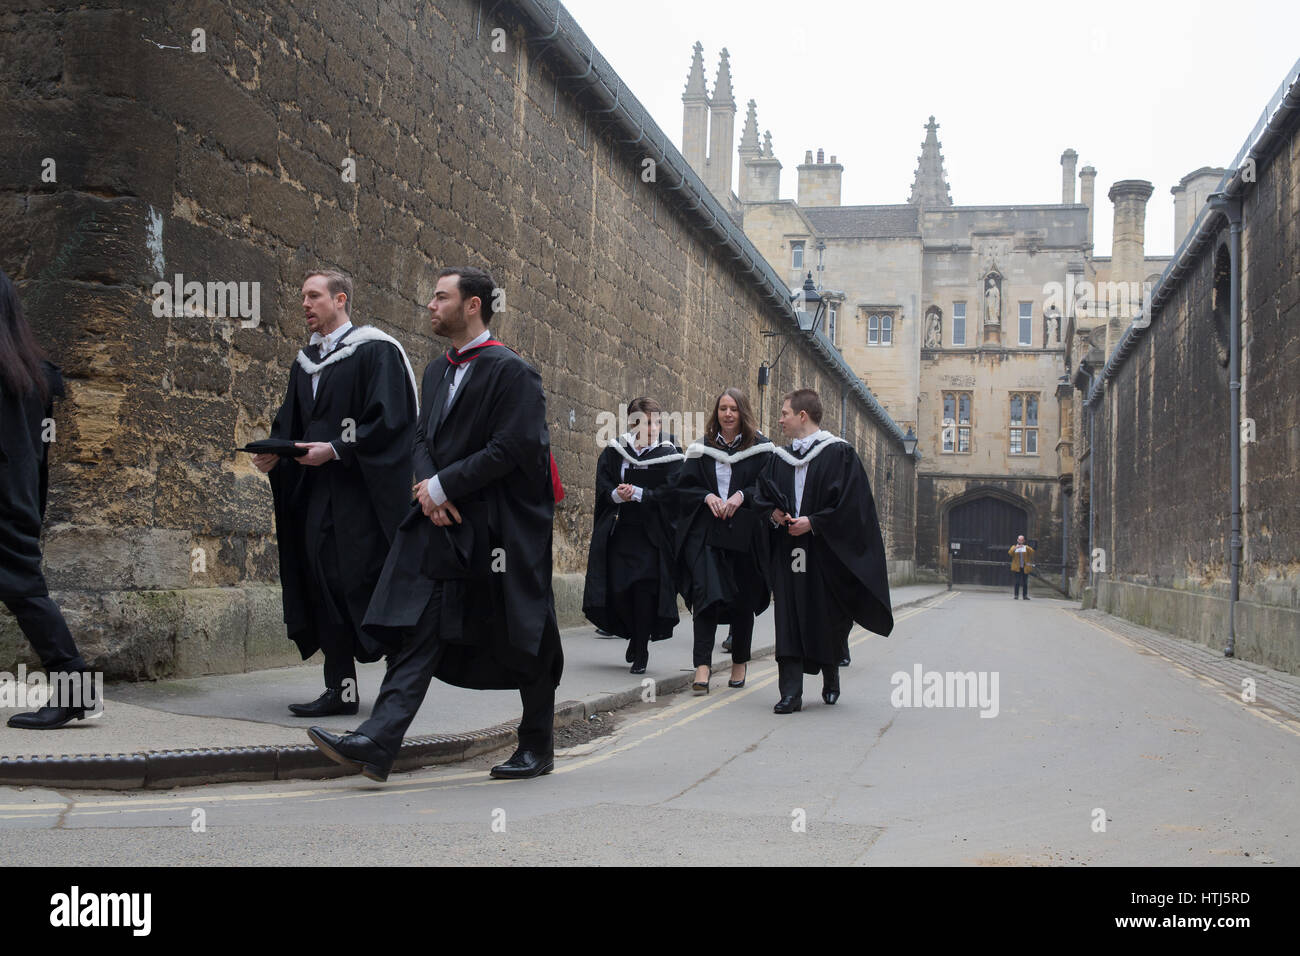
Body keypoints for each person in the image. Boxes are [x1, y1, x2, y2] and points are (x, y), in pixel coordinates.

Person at [307, 266, 564, 782]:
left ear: (473, 305)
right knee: (417, 631)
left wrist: (445, 486)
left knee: (527, 635)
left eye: (441, 297)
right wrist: (427, 489)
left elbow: (514, 448)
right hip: (441, 526)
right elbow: (420, 439)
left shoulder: (514, 372)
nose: (430, 304)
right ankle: (377, 744)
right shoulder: (435, 370)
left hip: (498, 533)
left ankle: (538, 746)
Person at [253, 270, 419, 718]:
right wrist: (275, 453)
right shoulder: (305, 360)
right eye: (302, 296)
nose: (304, 304)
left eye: (313, 296)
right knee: (322, 584)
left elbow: (392, 421)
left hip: (360, 497)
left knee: (364, 583)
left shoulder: (376, 351)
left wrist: (340, 448)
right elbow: (291, 422)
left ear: (340, 299)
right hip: (314, 494)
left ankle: (399, 689)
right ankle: (341, 690)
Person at [0, 269, 98, 729]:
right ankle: (77, 690)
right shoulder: (30, 371)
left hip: (6, 502)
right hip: (18, 498)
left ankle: (76, 688)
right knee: (26, 594)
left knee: (27, 594)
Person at [755, 389, 893, 713]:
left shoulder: (840, 454)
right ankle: (790, 691)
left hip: (825, 554)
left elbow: (853, 507)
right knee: (787, 615)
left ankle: (830, 675)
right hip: (790, 551)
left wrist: (814, 523)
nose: (780, 419)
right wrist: (773, 515)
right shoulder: (779, 459)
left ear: (803, 415)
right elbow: (760, 496)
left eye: (785, 413)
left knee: (826, 616)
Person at [674, 389, 774, 693]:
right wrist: (707, 497)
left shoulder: (761, 448)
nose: (728, 414)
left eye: (733, 409)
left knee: (742, 599)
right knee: (705, 597)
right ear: (716, 413)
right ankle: (702, 667)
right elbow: (684, 487)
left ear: (743, 413)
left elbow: (768, 486)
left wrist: (742, 496)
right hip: (708, 532)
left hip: (745, 534)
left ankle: (739, 663)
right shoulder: (701, 448)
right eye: (722, 409)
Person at [582, 398, 682, 674]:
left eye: (656, 421)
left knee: (644, 592)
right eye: (647, 422)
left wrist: (641, 494)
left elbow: (675, 491)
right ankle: (634, 635)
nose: (653, 427)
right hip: (621, 531)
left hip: (652, 536)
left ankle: (641, 648)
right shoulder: (616, 450)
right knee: (621, 590)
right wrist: (616, 494)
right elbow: (603, 481)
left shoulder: (670, 452)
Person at [1009, 534, 1035, 600]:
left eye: (1022, 540)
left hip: (1025, 567)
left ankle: (1025, 595)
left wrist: (1026, 547)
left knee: (1025, 582)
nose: (1021, 541)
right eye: (1019, 540)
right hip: (1017, 567)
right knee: (1017, 582)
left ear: (1024, 541)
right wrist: (1016, 548)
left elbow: (1032, 552)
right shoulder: (1014, 546)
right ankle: (1016, 595)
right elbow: (1010, 553)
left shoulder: (1026, 547)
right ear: (1017, 540)